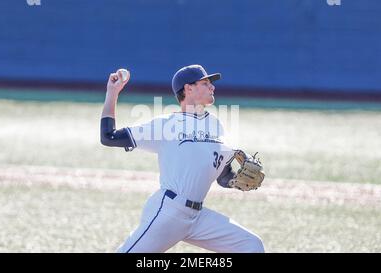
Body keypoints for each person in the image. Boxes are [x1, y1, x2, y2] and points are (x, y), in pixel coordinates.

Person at [100, 64, 265, 253]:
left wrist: (235, 181)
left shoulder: (216, 125)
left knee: (251, 245)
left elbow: (223, 176)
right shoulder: (166, 125)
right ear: (188, 88)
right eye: (205, 83)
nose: (212, 86)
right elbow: (108, 136)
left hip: (197, 217)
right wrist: (112, 92)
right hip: (169, 212)